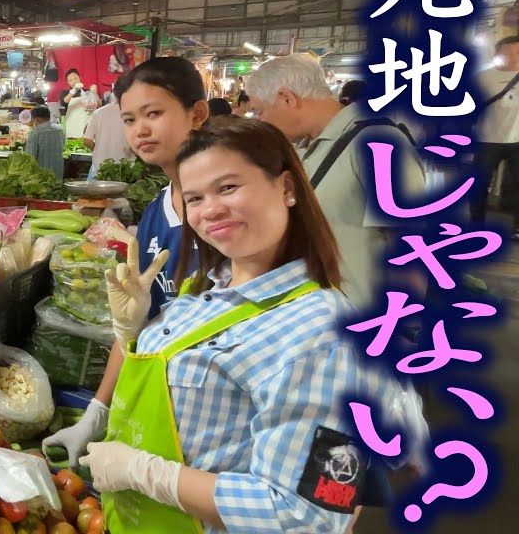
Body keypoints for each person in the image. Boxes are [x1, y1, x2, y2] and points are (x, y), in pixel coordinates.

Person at [78, 117, 423, 533]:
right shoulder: (209, 283)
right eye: (195, 198)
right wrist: (132, 332)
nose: (211, 210)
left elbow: (304, 517)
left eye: (228, 188)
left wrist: (146, 473)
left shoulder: (321, 336)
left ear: (287, 188)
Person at [44, 58, 208, 463]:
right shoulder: (156, 211)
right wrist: (97, 410)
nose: (140, 130)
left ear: (197, 114)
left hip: (212, 410)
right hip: (163, 400)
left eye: (154, 114)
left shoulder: (225, 214)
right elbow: (138, 322)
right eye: (130, 119)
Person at [246, 55, 424, 309]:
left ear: (287, 98)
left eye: (261, 110)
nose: (260, 120)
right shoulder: (305, 147)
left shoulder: (378, 143)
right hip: (315, 316)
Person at [472, 36, 519, 235]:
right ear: (496, 54)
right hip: (486, 140)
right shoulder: (481, 77)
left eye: (516, 53)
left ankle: (517, 226)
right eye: (506, 52)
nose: (512, 57)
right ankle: (476, 226)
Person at [82, 92, 132, 178]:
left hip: (101, 168)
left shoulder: (99, 112)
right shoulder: (133, 112)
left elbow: (87, 140)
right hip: (127, 168)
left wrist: (98, 151)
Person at [24, 106, 64, 180]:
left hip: (41, 176)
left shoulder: (35, 133)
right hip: (58, 172)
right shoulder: (60, 129)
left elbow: (30, 157)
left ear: (37, 119)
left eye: (32, 120)